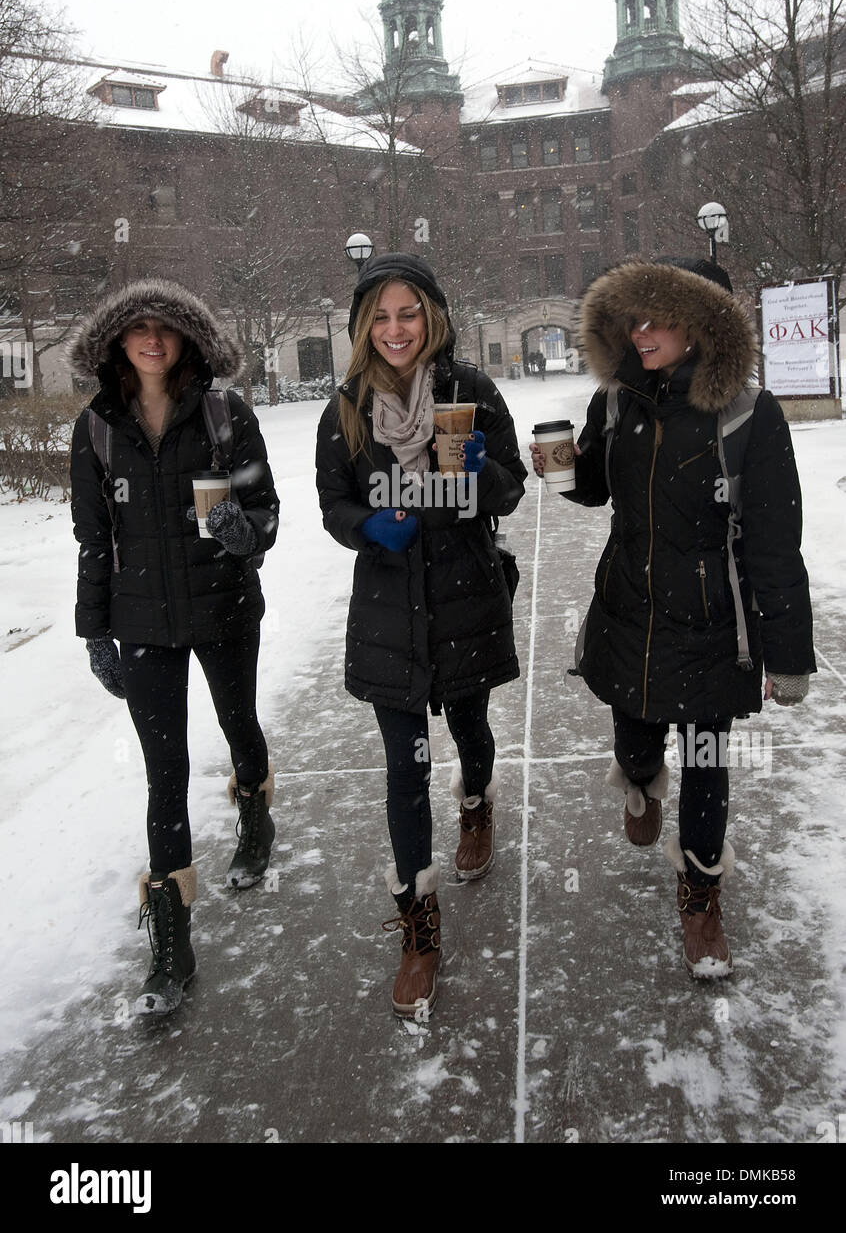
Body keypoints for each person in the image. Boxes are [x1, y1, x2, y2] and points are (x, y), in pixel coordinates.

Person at [530, 258, 815, 978]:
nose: (642, 331)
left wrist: (786, 655)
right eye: (634, 318)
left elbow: (777, 543)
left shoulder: (750, 413)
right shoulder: (619, 400)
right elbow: (595, 490)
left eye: (659, 317)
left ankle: (701, 893)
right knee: (635, 740)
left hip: (714, 625)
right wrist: (560, 471)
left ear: (701, 325)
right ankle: (636, 777)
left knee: (709, 762)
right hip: (631, 611)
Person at [315, 253, 526, 1017]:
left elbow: (511, 485)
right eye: (382, 315)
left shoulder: (472, 392)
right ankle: (418, 930)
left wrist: (476, 476)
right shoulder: (345, 407)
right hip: (387, 617)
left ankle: (477, 803)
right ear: (365, 326)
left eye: (409, 313)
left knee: (470, 728)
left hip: (465, 600)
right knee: (404, 770)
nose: (396, 329)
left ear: (431, 318)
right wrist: (366, 525)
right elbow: (330, 502)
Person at [69, 278, 279, 1015]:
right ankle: (170, 941)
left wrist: (240, 534)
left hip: (224, 610)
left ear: (187, 338)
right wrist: (94, 629)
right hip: (144, 627)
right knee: (167, 772)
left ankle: (255, 818)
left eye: (165, 328)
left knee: (237, 724)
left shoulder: (224, 413)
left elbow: (266, 512)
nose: (152, 339)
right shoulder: (96, 428)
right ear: (117, 342)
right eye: (138, 329)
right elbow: (93, 540)